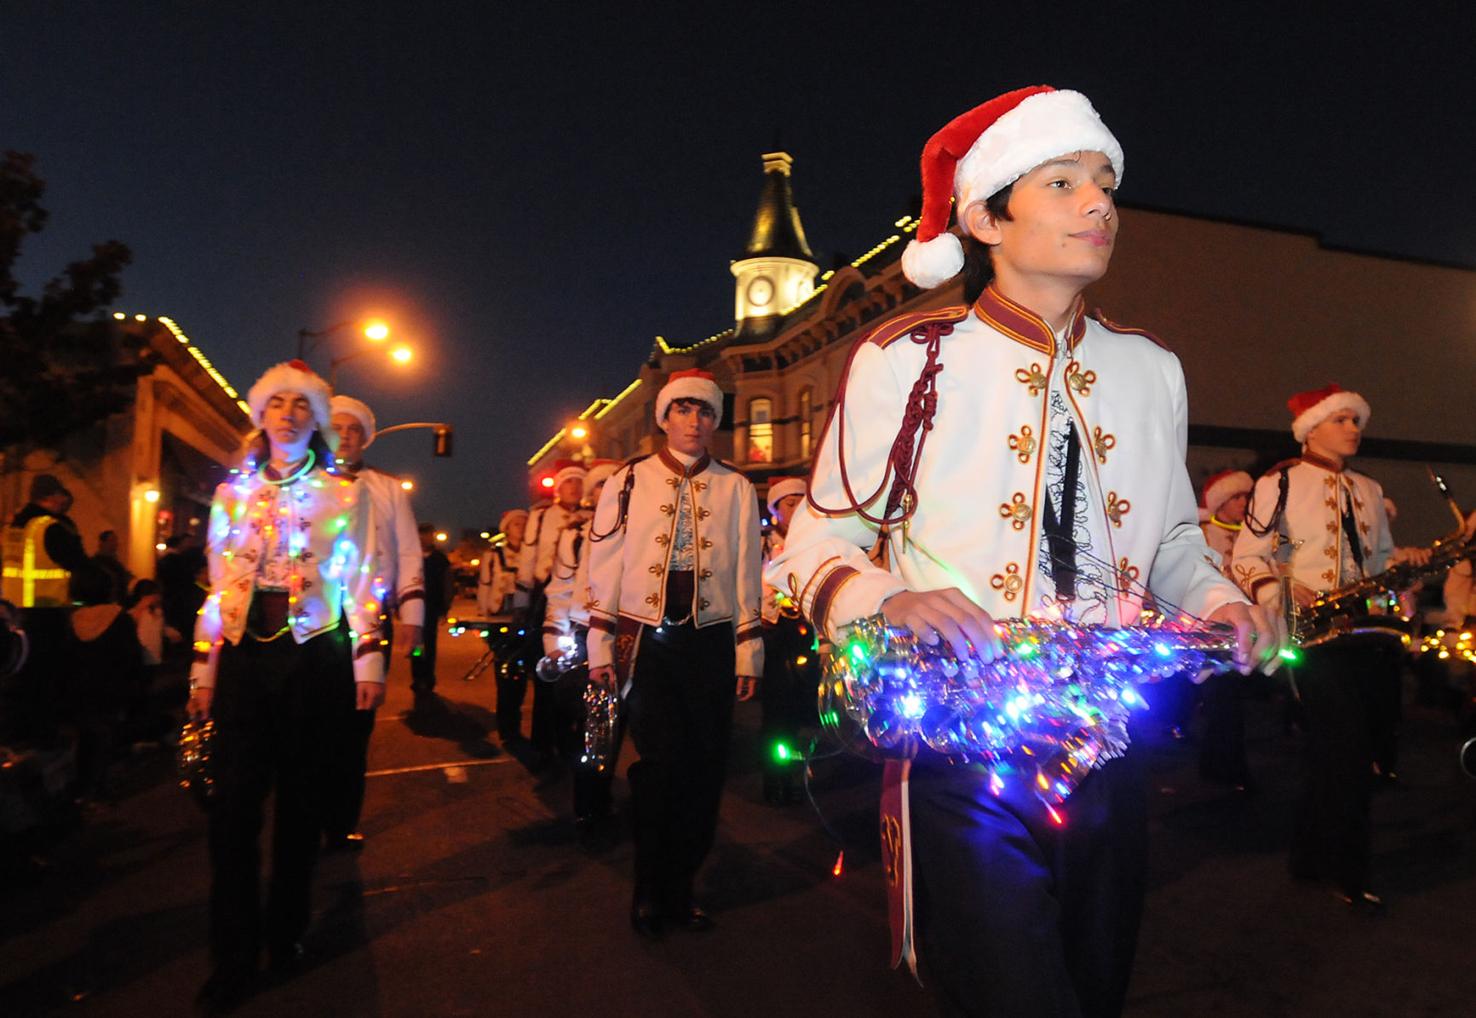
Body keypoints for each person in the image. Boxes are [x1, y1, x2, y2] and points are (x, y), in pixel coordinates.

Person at [769, 86, 1276, 1017]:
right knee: (1014, 993)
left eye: (1106, 183)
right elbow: (818, 541)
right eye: (1064, 182)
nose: (1100, 204)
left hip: (1111, 740)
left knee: (1095, 984)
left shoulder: (1151, 368)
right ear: (984, 219)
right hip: (961, 744)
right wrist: (888, 600)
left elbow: (1173, 541)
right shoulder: (909, 358)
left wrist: (1222, 600)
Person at [186, 360, 386, 1013]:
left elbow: (361, 579)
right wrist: (203, 670)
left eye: (303, 405)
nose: (290, 414)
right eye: (278, 403)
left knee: (300, 806)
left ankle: (287, 930)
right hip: (244, 658)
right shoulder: (232, 495)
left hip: (314, 657)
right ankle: (232, 955)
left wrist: (367, 662)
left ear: (317, 419)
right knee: (233, 812)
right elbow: (217, 586)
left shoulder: (344, 494)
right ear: (261, 415)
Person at [1232, 382, 1426, 912]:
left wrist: (1403, 573)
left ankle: (1310, 856)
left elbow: (1379, 560)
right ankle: (1348, 868)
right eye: (1340, 419)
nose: (1352, 428)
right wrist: (1280, 589)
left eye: (1355, 420)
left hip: (1366, 633)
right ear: (1310, 429)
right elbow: (1247, 556)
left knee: (1337, 750)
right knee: (1346, 749)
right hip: (1313, 635)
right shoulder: (1280, 482)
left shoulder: (1369, 488)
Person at [586, 369, 763, 938]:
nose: (694, 420)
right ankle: (649, 887)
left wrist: (748, 650)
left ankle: (682, 887)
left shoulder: (737, 487)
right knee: (659, 767)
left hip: (710, 641)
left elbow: (748, 572)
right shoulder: (628, 480)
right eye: (683, 409)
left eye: (705, 411)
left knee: (705, 768)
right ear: (664, 418)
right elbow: (605, 565)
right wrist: (600, 646)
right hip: (648, 644)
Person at [325, 394, 428, 849]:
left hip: (368, 618)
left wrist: (412, 615)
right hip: (313, 619)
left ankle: (341, 821)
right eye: (337, 427)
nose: (345, 436)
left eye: (354, 429)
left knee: (356, 722)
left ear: (365, 437)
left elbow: (409, 552)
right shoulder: (305, 484)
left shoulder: (386, 487)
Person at [3, 474, 90, 744]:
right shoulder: (50, 527)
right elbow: (81, 565)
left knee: (17, 675)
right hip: (45, 613)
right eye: (62, 496)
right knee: (45, 678)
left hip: (12, 613)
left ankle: (15, 734)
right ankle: (42, 736)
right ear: (53, 496)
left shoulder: (13, 526)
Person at [517, 460, 585, 763]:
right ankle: (542, 743)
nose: (575, 487)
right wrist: (523, 601)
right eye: (568, 482)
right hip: (545, 595)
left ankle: (571, 738)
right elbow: (528, 555)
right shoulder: (542, 515)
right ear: (558, 488)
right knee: (547, 669)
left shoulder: (590, 517)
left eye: (579, 482)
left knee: (576, 671)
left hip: (578, 597)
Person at [759, 476, 818, 805]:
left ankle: (794, 774)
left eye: (801, 503)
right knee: (775, 708)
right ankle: (773, 776)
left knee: (800, 707)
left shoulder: (812, 543)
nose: (796, 510)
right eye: (789, 504)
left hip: (803, 633)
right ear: (776, 509)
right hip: (773, 633)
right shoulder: (762, 545)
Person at [479, 508, 530, 741]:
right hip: (499, 619)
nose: (522, 528)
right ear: (506, 529)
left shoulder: (533, 554)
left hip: (524, 619)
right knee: (505, 673)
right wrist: (484, 616)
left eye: (525, 523)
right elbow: (485, 584)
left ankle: (514, 722)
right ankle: (507, 725)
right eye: (516, 524)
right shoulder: (493, 555)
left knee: (522, 673)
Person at [412, 522, 454, 698]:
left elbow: (447, 584)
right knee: (415, 643)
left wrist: (445, 607)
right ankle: (417, 676)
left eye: (427, 535)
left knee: (429, 642)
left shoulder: (439, 559)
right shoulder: (411, 557)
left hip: (432, 607)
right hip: (414, 606)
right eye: (421, 535)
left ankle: (429, 676)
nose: (424, 539)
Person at [91, 530, 134, 604]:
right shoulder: (95, 563)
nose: (115, 543)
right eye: (111, 540)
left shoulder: (117, 564)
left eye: (115, 540)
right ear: (102, 543)